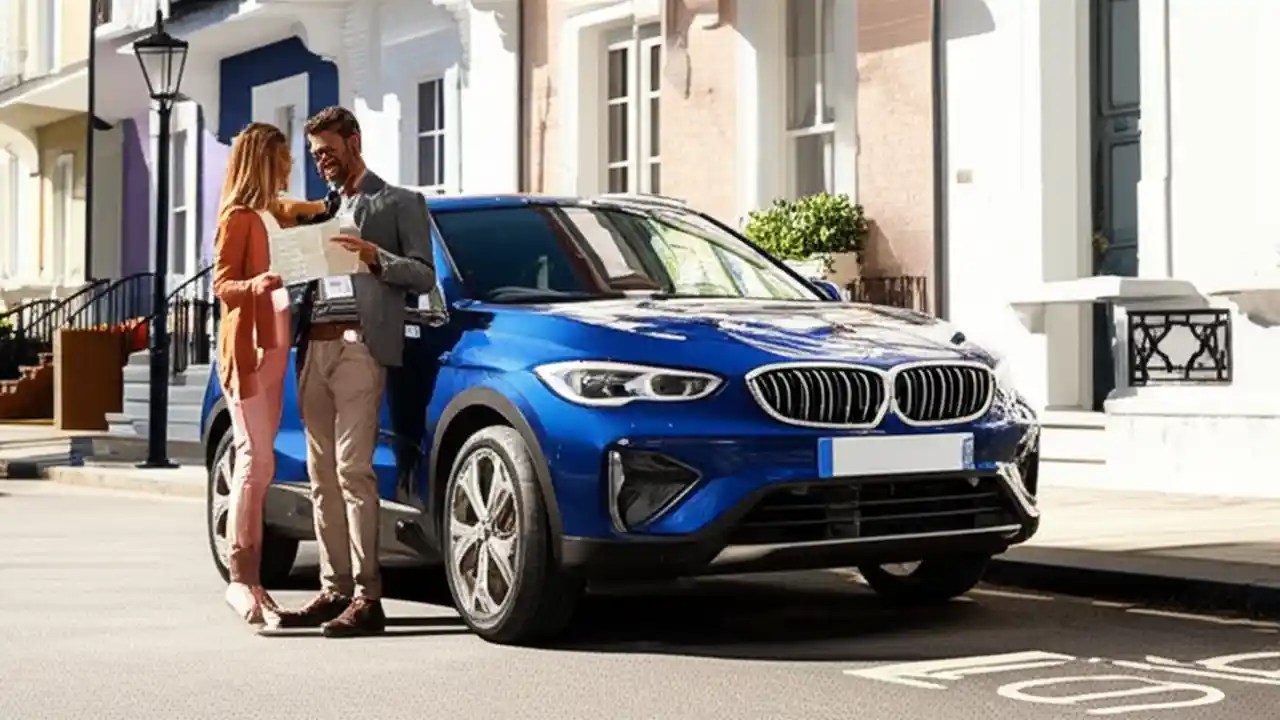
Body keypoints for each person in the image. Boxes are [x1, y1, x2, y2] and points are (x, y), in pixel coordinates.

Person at [272, 106, 438, 638]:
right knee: (319, 477)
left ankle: (369, 597)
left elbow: (423, 275)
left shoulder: (398, 202)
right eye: (316, 154)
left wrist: (374, 257)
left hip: (359, 349)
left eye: (330, 151)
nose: (322, 161)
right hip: (312, 350)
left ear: (354, 142)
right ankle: (334, 589)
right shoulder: (322, 208)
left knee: (352, 471)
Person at [211, 122, 328, 624]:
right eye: (281, 160)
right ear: (261, 161)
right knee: (254, 461)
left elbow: (313, 210)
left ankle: (253, 581)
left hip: (277, 343)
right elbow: (221, 283)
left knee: (263, 465)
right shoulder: (238, 217)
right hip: (250, 348)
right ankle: (242, 580)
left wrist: (337, 204)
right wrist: (257, 283)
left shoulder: (274, 212)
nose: (288, 169)